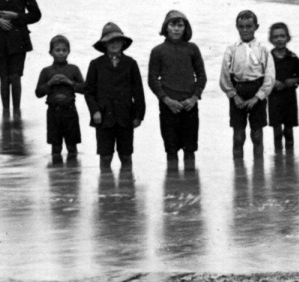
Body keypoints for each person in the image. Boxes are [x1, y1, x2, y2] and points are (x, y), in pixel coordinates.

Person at [145, 9, 205, 167]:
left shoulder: (193, 48)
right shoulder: (157, 51)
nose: (176, 29)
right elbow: (152, 79)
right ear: (166, 27)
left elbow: (202, 76)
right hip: (168, 107)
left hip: (189, 106)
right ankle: (173, 188)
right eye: (173, 25)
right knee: (171, 151)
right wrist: (166, 99)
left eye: (180, 25)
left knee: (190, 150)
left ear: (186, 28)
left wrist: (194, 98)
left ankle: (191, 187)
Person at [83, 22, 144, 170]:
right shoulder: (95, 64)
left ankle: (127, 189)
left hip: (126, 117)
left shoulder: (131, 64)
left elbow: (139, 92)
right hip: (103, 117)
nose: (114, 44)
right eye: (110, 41)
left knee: (126, 156)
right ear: (104, 44)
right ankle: (105, 189)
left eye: (117, 40)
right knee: (105, 156)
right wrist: (95, 111)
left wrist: (139, 116)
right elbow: (88, 92)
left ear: (123, 43)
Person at [218, 9, 274, 156]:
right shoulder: (231, 49)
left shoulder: (263, 49)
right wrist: (233, 95)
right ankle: (239, 175)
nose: (245, 30)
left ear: (256, 27)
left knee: (257, 135)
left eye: (249, 26)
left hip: (257, 90)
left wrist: (258, 97)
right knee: (238, 136)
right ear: (237, 27)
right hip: (238, 91)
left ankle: (258, 173)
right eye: (241, 26)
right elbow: (224, 76)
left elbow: (269, 77)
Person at [34, 33, 84, 164]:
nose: (61, 53)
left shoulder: (73, 69)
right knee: (56, 147)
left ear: (68, 52)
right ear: (51, 52)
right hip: (53, 113)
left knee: (72, 147)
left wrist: (70, 82)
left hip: (70, 112)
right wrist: (50, 83)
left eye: (64, 50)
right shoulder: (46, 71)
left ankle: (72, 174)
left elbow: (85, 89)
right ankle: (57, 178)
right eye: (57, 50)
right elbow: (38, 93)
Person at [265, 21, 299, 153]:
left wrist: (293, 80)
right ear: (271, 39)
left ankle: (289, 158)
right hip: (274, 99)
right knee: (276, 131)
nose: (279, 39)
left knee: (289, 131)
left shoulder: (293, 58)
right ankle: (278, 161)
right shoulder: (268, 58)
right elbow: (262, 77)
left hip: (289, 99)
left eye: (282, 36)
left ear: (288, 38)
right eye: (276, 37)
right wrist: (273, 82)